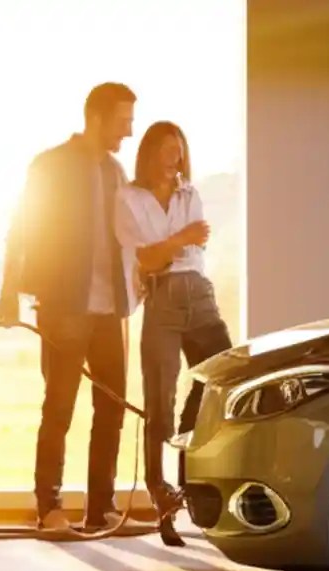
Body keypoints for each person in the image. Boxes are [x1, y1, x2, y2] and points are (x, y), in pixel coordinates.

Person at [0, 82, 137, 532]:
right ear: (95, 118)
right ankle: (49, 509)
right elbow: (21, 227)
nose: (128, 132)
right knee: (59, 407)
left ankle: (101, 508)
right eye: (122, 122)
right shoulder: (49, 166)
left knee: (111, 410)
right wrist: (8, 291)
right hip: (64, 307)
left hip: (109, 311)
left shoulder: (116, 172)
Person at [115, 120, 233, 547]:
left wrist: (168, 247)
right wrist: (177, 240)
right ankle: (161, 499)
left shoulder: (191, 194)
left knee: (221, 382)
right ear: (149, 154)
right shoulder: (128, 198)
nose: (174, 157)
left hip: (199, 295)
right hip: (162, 302)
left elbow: (189, 249)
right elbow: (147, 260)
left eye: (178, 149)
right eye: (165, 149)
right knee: (158, 407)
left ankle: (190, 486)